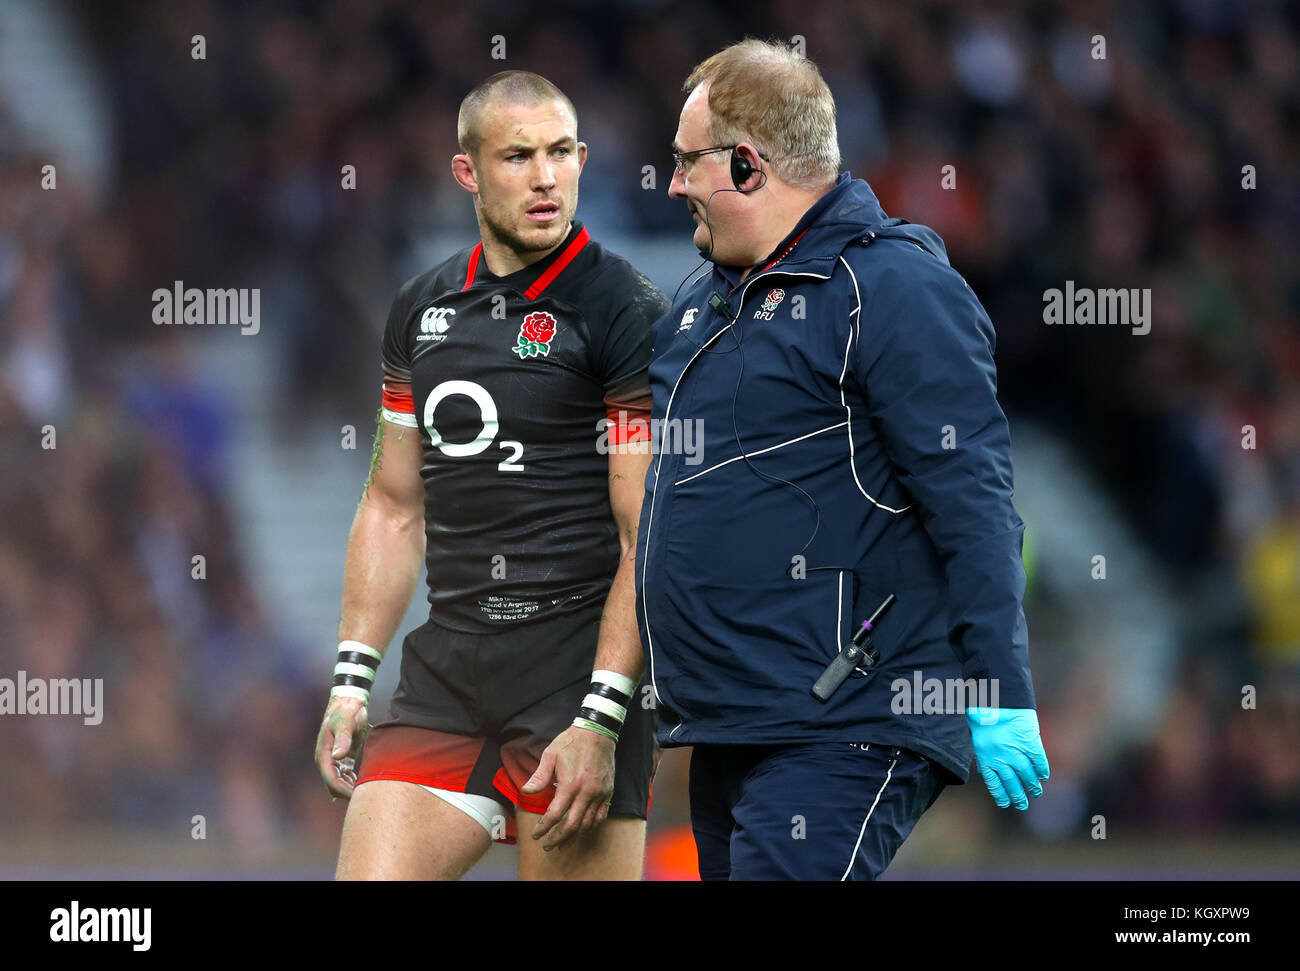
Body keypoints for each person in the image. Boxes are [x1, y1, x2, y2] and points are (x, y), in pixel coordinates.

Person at [635, 39, 1050, 880]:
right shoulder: (697, 306)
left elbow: (974, 501)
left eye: (686, 162)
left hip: (848, 719)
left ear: (747, 166)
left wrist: (999, 687)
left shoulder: (894, 287)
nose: (673, 184)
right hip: (730, 724)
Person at [314, 70, 668, 880]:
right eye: (518, 157)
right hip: (450, 671)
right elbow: (394, 504)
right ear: (467, 172)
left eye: (560, 154)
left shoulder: (625, 309)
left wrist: (604, 717)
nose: (546, 178)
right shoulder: (420, 308)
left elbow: (644, 534)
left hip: (575, 674)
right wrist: (351, 680)